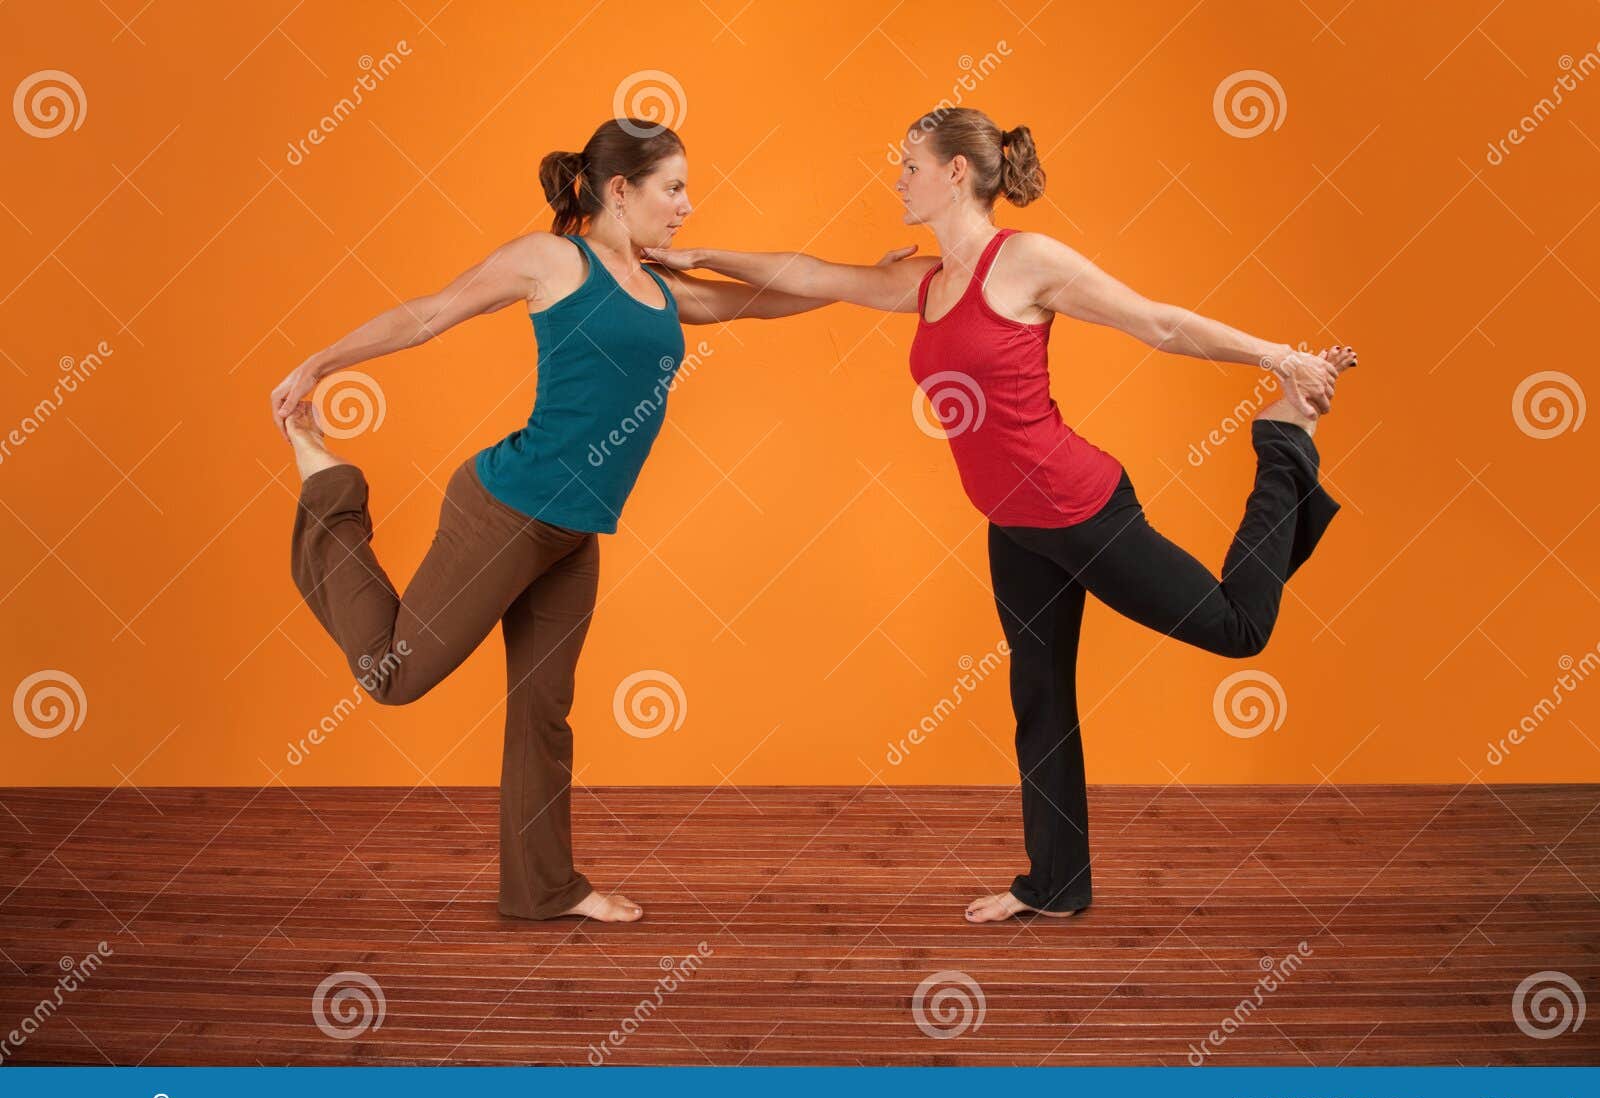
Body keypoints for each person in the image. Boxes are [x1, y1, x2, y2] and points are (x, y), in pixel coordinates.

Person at [644, 106, 1358, 924]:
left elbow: (1157, 322)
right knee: (1040, 698)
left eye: (909, 163)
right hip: (1013, 522)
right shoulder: (928, 282)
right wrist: (700, 255)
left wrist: (1281, 359)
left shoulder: (1025, 262)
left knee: (1238, 629)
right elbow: (815, 275)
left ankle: (1283, 440)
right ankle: (1055, 885)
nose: (897, 178)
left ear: (956, 173)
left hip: (1079, 506)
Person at [267, 117, 898, 924]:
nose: (686, 204)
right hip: (506, 508)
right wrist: (321, 363)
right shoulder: (552, 261)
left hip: (574, 532)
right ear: (619, 190)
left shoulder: (662, 287)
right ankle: (329, 488)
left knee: (544, 710)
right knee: (394, 677)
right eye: (673, 188)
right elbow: (432, 312)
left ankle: (544, 887)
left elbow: (761, 304)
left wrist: (858, 282)